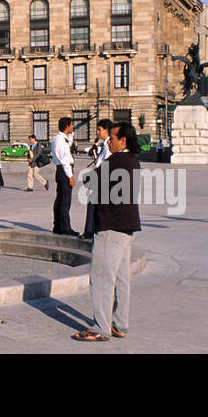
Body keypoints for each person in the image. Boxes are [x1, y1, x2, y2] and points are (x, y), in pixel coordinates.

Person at [72, 123, 142, 342]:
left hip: (110, 226)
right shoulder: (133, 161)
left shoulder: (116, 161)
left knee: (101, 277)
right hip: (126, 225)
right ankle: (120, 324)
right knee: (121, 278)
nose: (108, 141)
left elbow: (89, 179)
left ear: (124, 141)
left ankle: (100, 327)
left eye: (112, 138)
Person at [80, 120, 112, 239]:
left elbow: (106, 163)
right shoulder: (104, 145)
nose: (98, 132)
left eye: (99, 129)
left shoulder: (109, 146)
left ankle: (91, 231)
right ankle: (90, 231)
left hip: (103, 179)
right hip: (100, 178)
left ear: (106, 130)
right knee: (93, 204)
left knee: (95, 205)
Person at [52, 117, 75, 234]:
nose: (73, 127)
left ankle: (57, 226)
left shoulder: (58, 138)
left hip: (59, 170)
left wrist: (70, 135)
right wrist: (70, 176)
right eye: (71, 125)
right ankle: (65, 228)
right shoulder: (61, 141)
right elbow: (65, 159)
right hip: (64, 171)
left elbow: (68, 144)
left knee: (60, 199)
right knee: (65, 201)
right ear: (66, 126)